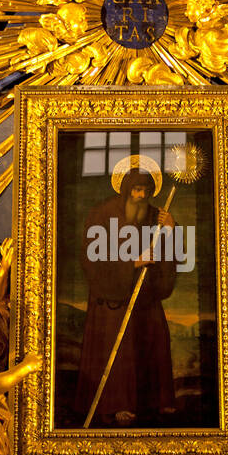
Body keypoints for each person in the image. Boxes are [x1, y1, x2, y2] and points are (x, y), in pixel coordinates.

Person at [74, 158, 178, 426]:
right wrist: (131, 262)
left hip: (144, 296)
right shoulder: (102, 214)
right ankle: (118, 403)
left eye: (145, 190)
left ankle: (156, 399)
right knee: (121, 348)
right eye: (136, 190)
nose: (141, 195)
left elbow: (166, 260)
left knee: (155, 336)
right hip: (112, 299)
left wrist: (170, 231)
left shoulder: (157, 215)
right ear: (126, 189)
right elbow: (91, 257)